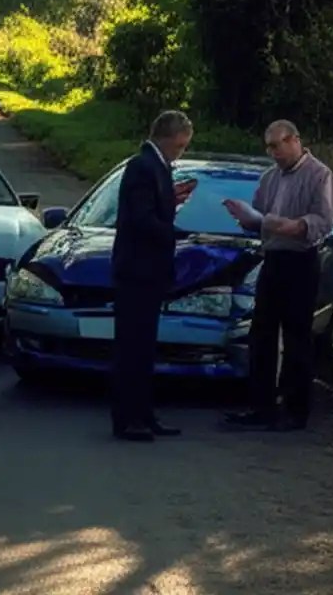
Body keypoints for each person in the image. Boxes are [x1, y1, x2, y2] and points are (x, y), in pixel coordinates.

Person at [221, 119, 333, 431]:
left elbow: (318, 223)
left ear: (295, 140)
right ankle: (260, 406)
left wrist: (268, 221)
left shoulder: (320, 175)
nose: (273, 153)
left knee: (298, 334)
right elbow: (259, 220)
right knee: (262, 333)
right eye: (268, 147)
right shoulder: (270, 177)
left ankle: (295, 409)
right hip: (272, 258)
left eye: (277, 145)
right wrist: (243, 217)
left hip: (301, 260)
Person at [109, 110, 196, 442]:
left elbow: (148, 208)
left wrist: (170, 201)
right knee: (132, 347)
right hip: (137, 270)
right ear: (168, 137)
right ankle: (129, 418)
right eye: (181, 145)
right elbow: (141, 219)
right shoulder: (143, 166)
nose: (181, 151)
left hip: (148, 270)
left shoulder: (156, 166)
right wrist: (176, 234)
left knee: (144, 348)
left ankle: (144, 413)